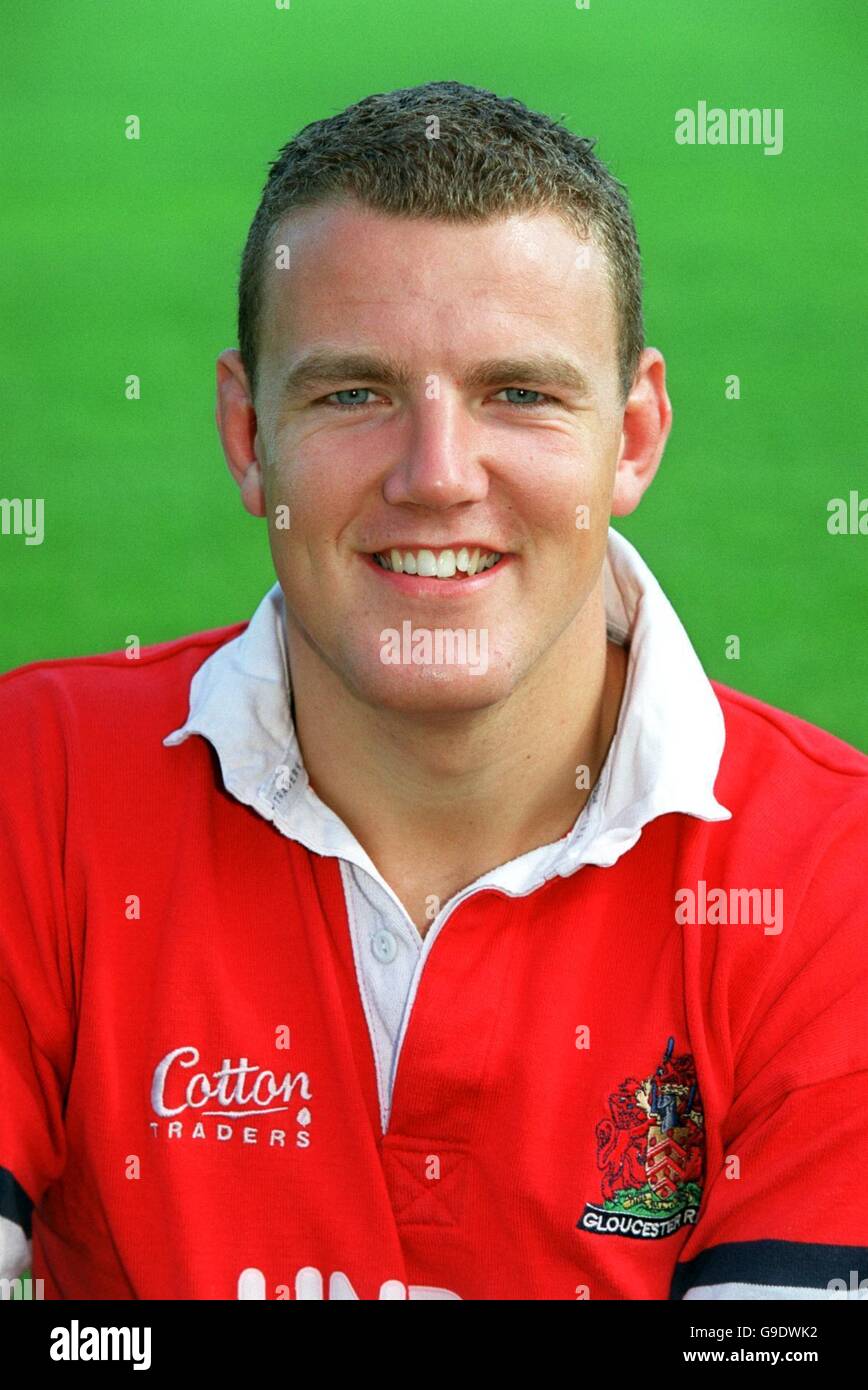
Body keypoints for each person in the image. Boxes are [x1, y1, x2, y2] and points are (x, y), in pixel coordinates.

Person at [1, 81, 865, 1302]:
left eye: (519, 392)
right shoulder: (30, 780)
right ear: (249, 437)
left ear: (633, 436)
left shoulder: (835, 880)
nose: (436, 474)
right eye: (354, 392)